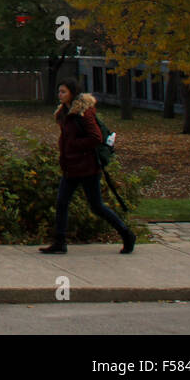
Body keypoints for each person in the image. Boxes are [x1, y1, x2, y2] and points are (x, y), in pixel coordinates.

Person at [40, 80, 136, 254]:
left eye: (63, 92)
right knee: (62, 202)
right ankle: (60, 242)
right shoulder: (64, 113)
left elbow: (96, 137)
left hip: (87, 167)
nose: (60, 94)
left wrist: (74, 144)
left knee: (96, 206)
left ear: (72, 93)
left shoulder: (84, 112)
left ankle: (126, 233)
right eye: (59, 91)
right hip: (71, 166)